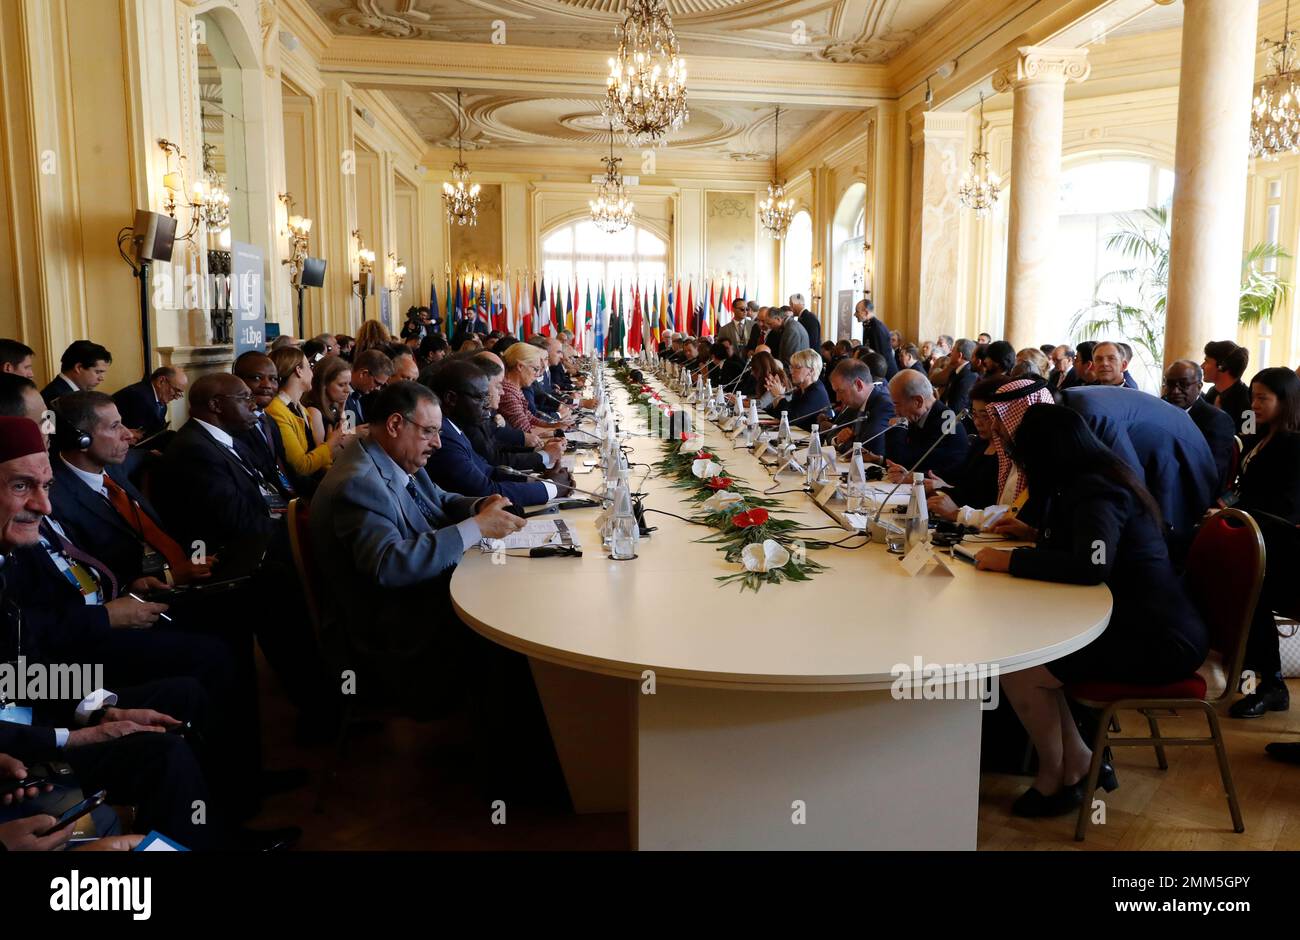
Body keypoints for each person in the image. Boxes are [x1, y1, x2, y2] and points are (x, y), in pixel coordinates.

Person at [972, 405, 1207, 817]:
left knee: (1021, 667)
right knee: (1032, 659)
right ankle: (1077, 761)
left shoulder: (1096, 488)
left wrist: (1012, 561)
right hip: (1134, 621)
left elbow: (1092, 564)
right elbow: (1087, 545)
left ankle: (1057, 772)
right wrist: (1034, 534)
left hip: (1158, 639)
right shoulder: (1090, 478)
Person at [1057, 385, 1218, 553]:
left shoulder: (1090, 414)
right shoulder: (1069, 402)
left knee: (1158, 536)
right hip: (1156, 450)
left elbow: (1128, 476)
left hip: (1179, 453)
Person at [1225, 367, 1300, 720]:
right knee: (1247, 609)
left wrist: (1236, 511)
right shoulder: (1266, 435)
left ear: (1285, 402)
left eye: (1262, 398)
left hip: (1279, 549)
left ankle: (1267, 685)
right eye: (1252, 396)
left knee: (1254, 607)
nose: (1253, 404)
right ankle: (1264, 684)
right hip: (1256, 542)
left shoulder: (1293, 443)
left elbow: (1285, 505)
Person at [422, 360, 566, 505]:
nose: (488, 404)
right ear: (451, 399)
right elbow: (485, 491)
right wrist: (552, 488)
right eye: (482, 397)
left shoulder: (454, 427)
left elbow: (489, 471)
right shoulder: (443, 436)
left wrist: (537, 479)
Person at [926, 377, 1053, 528]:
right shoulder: (1010, 454)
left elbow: (1016, 515)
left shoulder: (1042, 463)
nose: (994, 426)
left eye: (998, 417)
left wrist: (957, 513)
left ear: (1020, 418)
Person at [267, 346, 348, 483]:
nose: (312, 373)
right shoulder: (277, 409)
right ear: (298, 371)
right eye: (309, 368)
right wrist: (331, 443)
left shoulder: (299, 407)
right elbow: (301, 466)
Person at [1162, 359, 1235, 495]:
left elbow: (1211, 471)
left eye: (1184, 385)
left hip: (1194, 493)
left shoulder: (1217, 420)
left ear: (1199, 386)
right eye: (1170, 384)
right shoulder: (1159, 410)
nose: (1175, 391)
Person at [885, 369, 968, 480]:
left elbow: (907, 461)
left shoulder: (947, 421)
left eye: (897, 404)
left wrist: (898, 428)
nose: (895, 411)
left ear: (918, 401)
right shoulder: (918, 416)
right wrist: (880, 459)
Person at [823, 356, 900, 460]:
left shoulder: (883, 404)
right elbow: (832, 433)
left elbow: (866, 448)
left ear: (858, 385)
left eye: (840, 391)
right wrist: (837, 440)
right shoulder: (855, 402)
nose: (838, 398)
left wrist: (847, 443)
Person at [498, 342, 568, 433]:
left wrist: (555, 425)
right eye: (535, 369)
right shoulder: (507, 393)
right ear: (520, 366)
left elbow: (530, 418)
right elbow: (526, 431)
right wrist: (556, 429)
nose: (538, 374)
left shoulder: (516, 389)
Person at [112, 366, 187, 442]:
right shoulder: (139, 396)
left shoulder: (160, 402)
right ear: (161, 381)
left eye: (179, 394)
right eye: (176, 391)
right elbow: (138, 437)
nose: (176, 397)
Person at [763, 348, 829, 430]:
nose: (792, 372)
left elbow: (790, 419)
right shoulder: (801, 389)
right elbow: (780, 415)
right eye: (791, 367)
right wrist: (775, 395)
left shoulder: (816, 393)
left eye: (797, 367)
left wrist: (779, 395)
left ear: (811, 371)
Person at [1203, 339, 1252, 434]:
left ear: (1222, 366)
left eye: (1207, 361)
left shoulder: (1247, 400)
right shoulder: (1212, 392)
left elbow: (1248, 436)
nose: (1202, 366)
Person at [41, 341, 111, 405]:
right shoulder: (59, 398)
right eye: (98, 372)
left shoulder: (68, 392)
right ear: (78, 368)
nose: (102, 378)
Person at [304, 354, 354, 442]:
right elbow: (321, 454)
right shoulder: (314, 412)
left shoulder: (336, 405)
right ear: (324, 385)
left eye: (349, 384)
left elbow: (349, 439)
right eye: (341, 385)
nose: (348, 390)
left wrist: (342, 411)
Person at [345, 348, 395, 425]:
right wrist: (356, 433)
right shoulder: (340, 396)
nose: (378, 389)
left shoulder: (366, 396)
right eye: (377, 383)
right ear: (363, 373)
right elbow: (346, 430)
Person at [852, 300, 897, 377]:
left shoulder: (877, 328)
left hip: (885, 374)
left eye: (857, 311)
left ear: (866, 312)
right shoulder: (869, 326)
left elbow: (880, 357)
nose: (855, 314)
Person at [940, 339, 979, 416]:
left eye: (953, 350)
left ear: (959, 355)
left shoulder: (969, 376)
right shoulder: (955, 371)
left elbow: (958, 407)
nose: (950, 353)